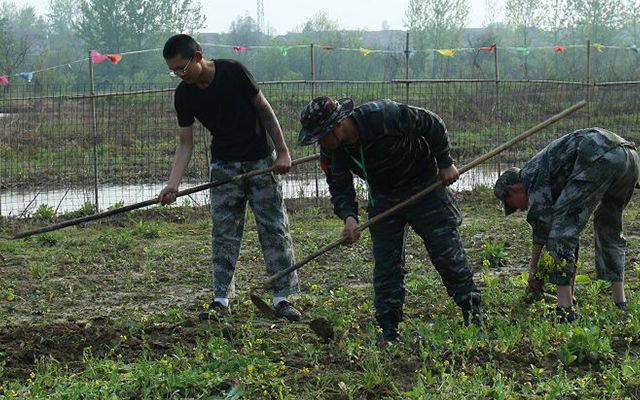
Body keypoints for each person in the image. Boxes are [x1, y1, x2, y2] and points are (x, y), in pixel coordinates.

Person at [298, 96, 482, 342]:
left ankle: (473, 314)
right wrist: (349, 217)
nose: (320, 142)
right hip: (383, 196)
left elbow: (432, 123)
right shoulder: (332, 149)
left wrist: (445, 163)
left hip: (423, 186)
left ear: (338, 125)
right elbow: (339, 185)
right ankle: (388, 329)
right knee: (386, 264)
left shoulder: (384, 115)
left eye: (321, 136)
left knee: (446, 252)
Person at [158, 34, 301, 322]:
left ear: (198, 57)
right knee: (223, 234)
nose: (178, 75)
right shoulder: (183, 95)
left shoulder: (234, 72)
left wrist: (282, 152)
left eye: (181, 68)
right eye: (173, 70)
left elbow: (264, 110)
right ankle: (221, 300)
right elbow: (186, 143)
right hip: (223, 167)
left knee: (274, 229)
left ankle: (283, 298)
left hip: (261, 161)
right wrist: (172, 184)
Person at [493, 128, 639, 322]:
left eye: (512, 205)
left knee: (560, 232)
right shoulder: (547, 173)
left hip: (599, 156)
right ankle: (619, 302)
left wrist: (533, 270)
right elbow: (571, 231)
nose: (519, 210)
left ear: (513, 189)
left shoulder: (530, 175)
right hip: (628, 158)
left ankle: (565, 309)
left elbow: (542, 228)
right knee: (608, 229)